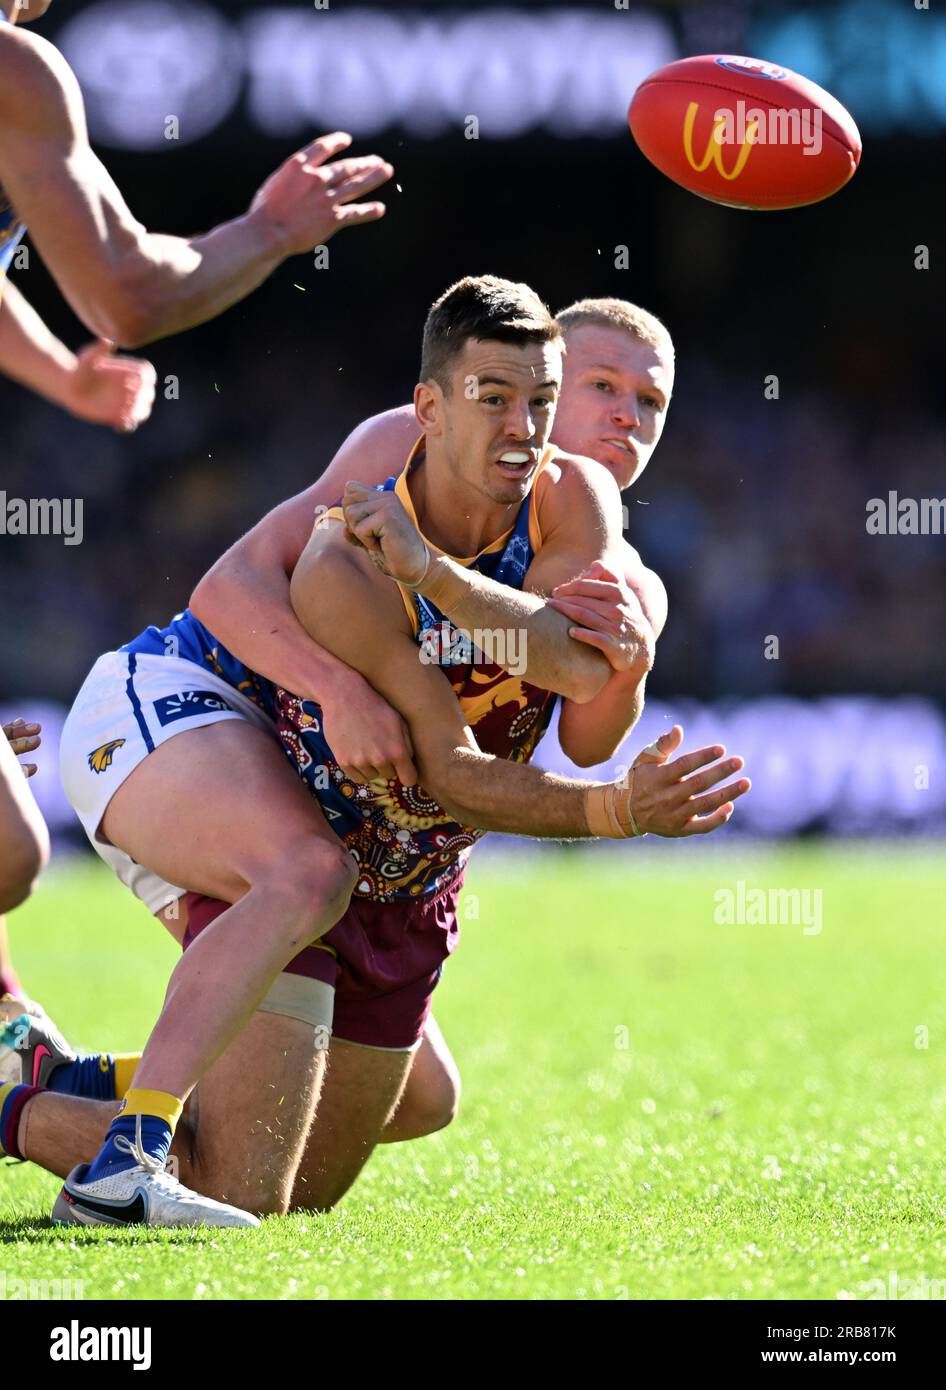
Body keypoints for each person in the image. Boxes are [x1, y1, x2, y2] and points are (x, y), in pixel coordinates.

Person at [1, 276, 748, 1228]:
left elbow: (579, 711)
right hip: (199, 712)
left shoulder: (594, 535)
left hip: (375, 836)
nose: (626, 417)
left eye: (652, 403)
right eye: (603, 387)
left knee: (371, 1130)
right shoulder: (395, 464)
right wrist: (339, 687)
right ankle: (115, 1144)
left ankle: (64, 1087)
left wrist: (620, 669)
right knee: (301, 879)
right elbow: (230, 587)